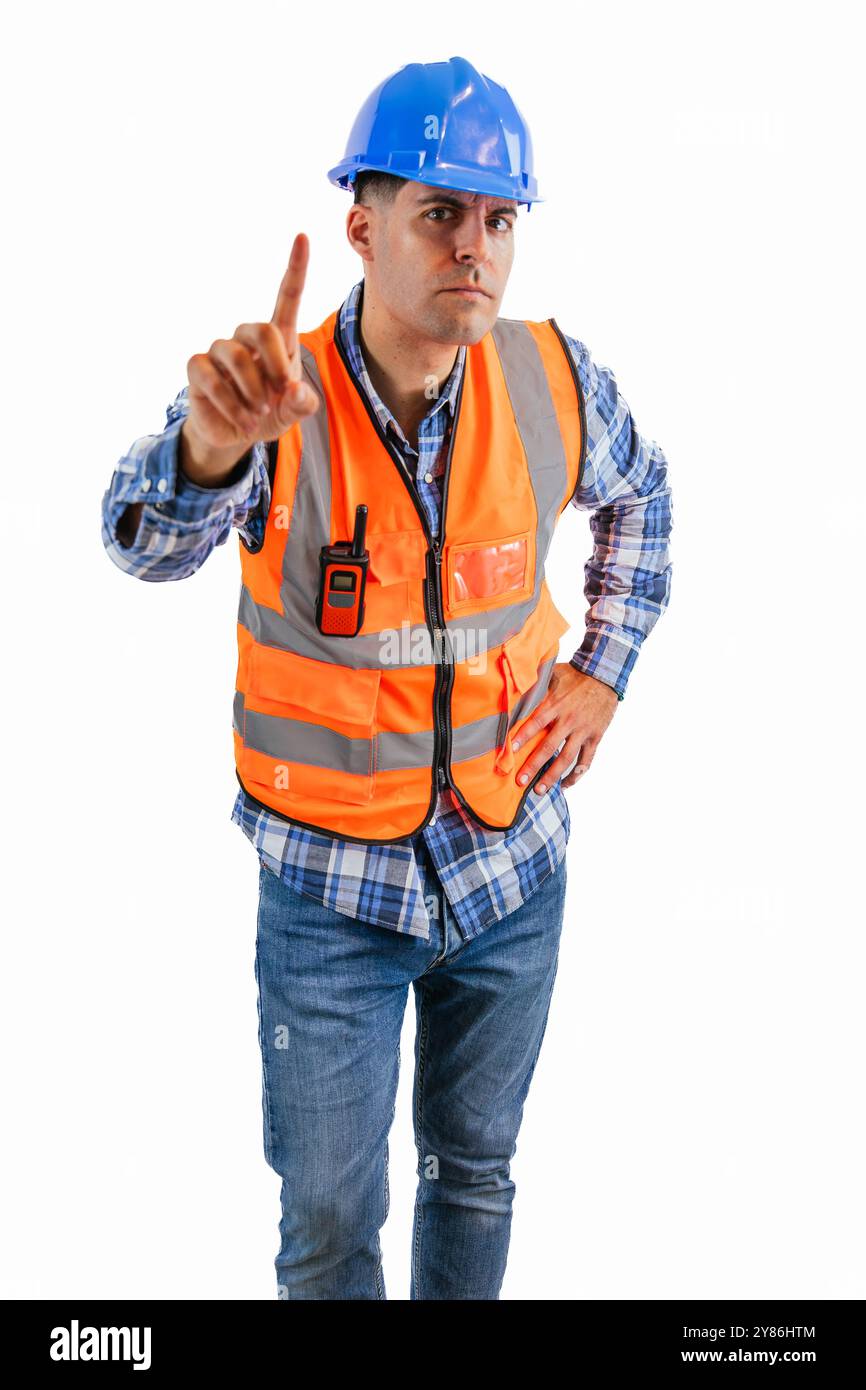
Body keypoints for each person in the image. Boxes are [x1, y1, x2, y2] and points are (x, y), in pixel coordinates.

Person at [101, 55, 673, 1300]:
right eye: (438, 213)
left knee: (476, 1173)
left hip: (508, 868)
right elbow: (138, 544)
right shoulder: (273, 395)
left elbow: (646, 498)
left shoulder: (551, 381)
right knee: (326, 1220)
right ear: (363, 229)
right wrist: (204, 449)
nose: (473, 246)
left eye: (496, 218)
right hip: (327, 895)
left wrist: (600, 675)